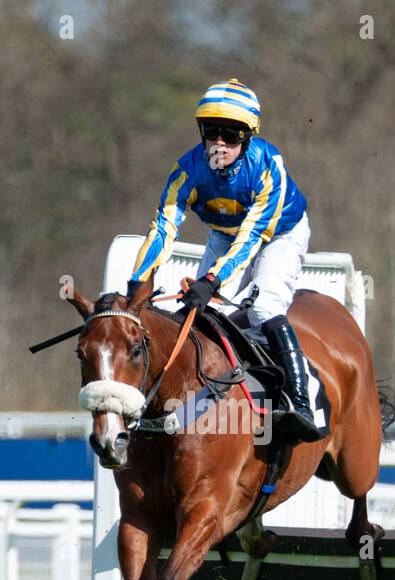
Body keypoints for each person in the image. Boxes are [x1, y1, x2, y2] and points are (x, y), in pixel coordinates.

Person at [126, 78, 318, 442]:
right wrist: (138, 284)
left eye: (230, 135)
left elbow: (251, 240)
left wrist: (210, 281)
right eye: (211, 132)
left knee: (264, 308)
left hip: (278, 234)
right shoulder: (187, 169)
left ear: (247, 137)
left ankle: (299, 402)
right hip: (224, 233)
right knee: (197, 318)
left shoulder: (267, 165)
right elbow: (164, 227)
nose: (219, 143)